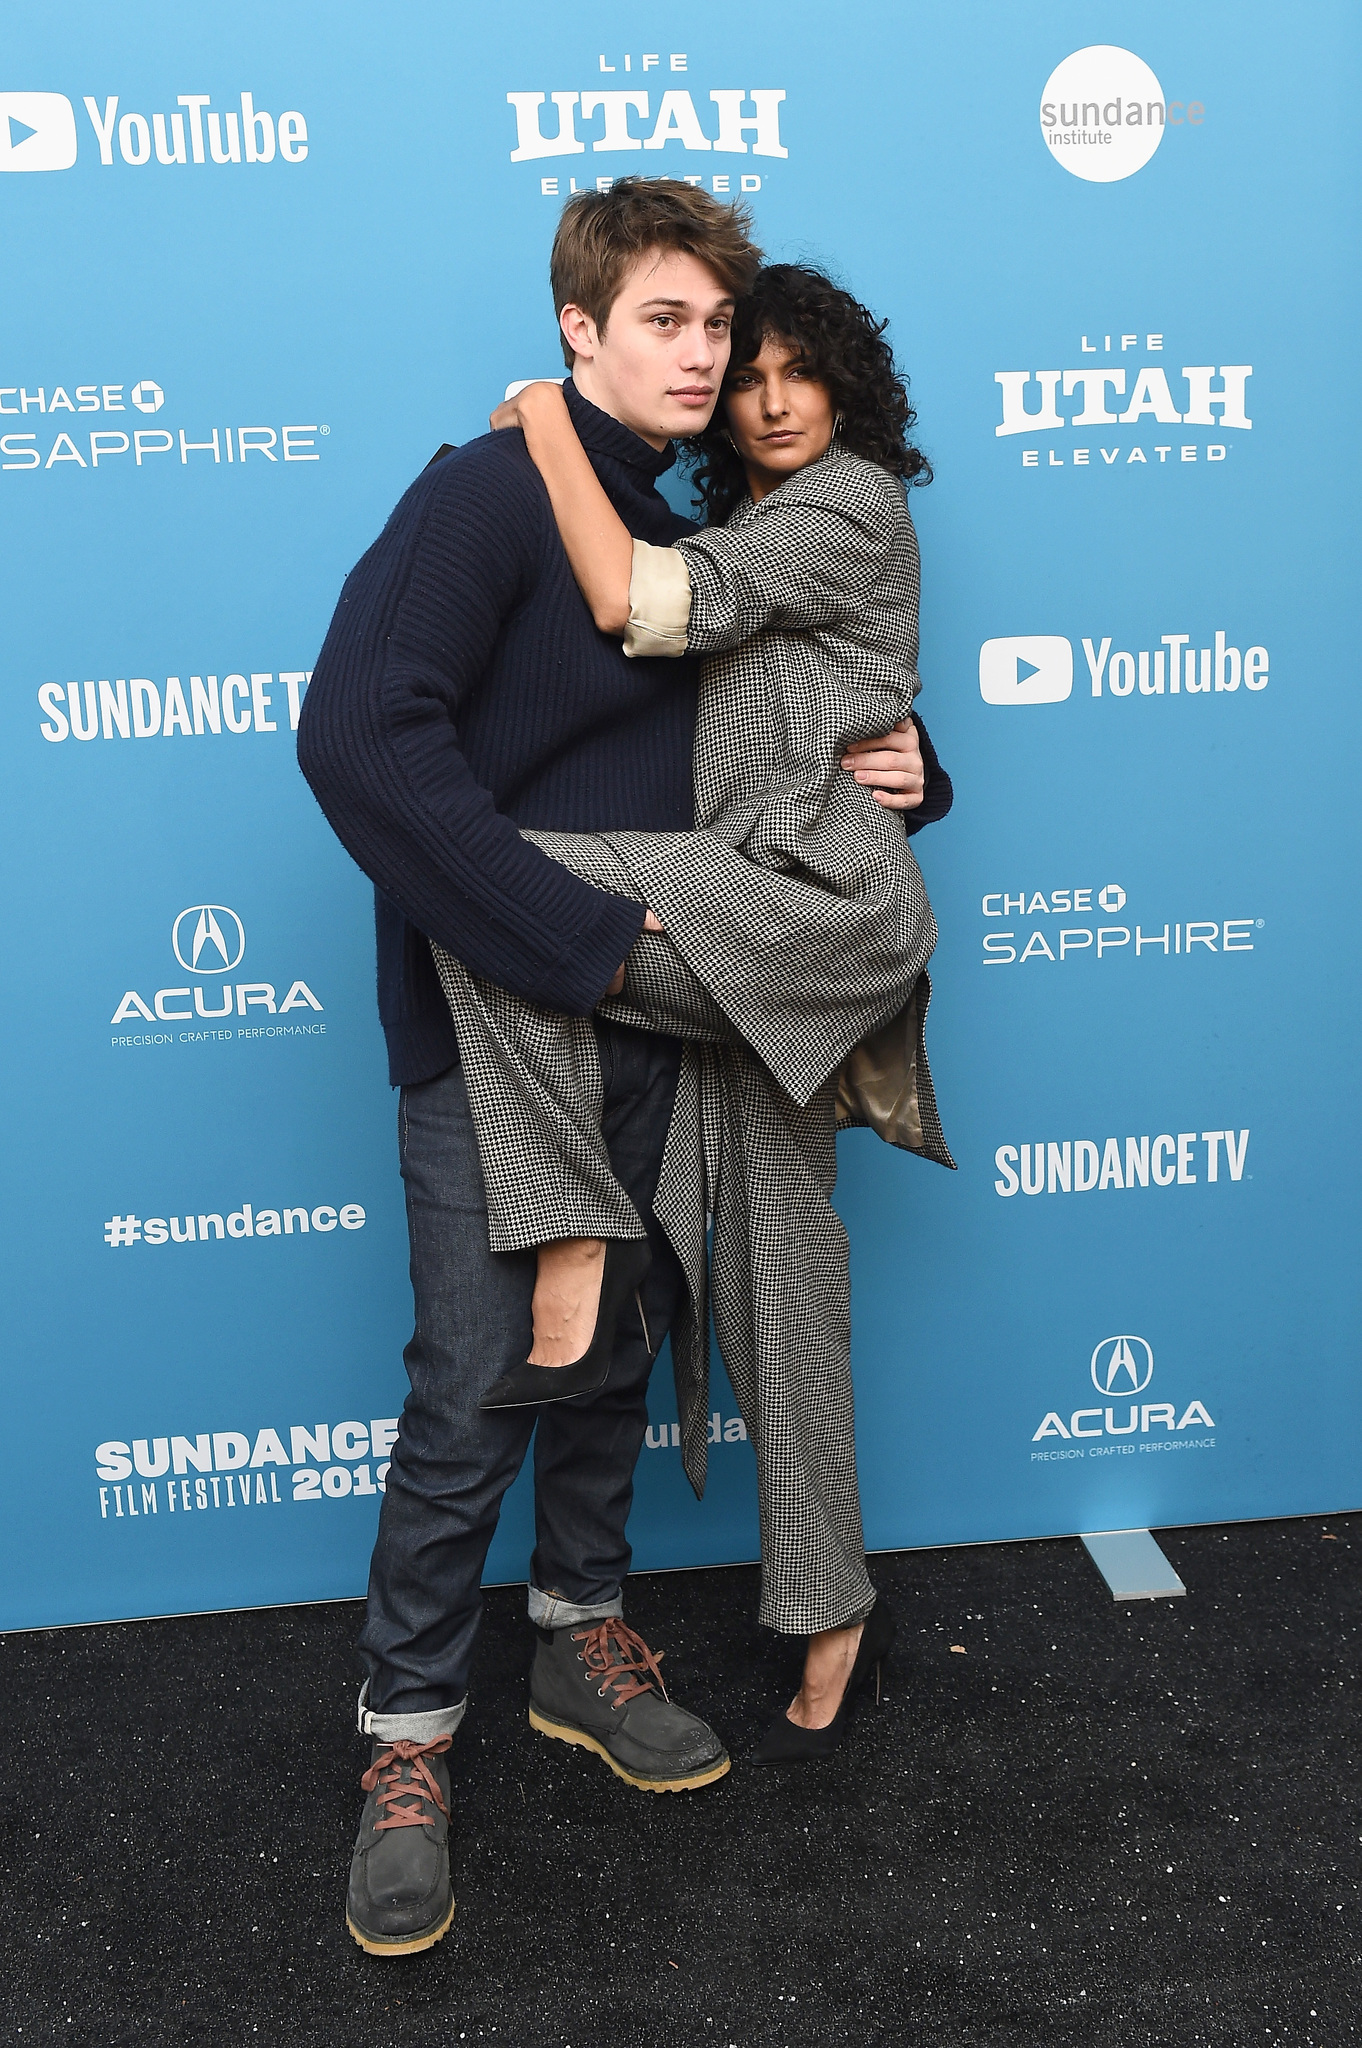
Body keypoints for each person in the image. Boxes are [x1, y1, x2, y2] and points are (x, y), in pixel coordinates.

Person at [297, 179, 951, 1958]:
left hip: (658, 1002)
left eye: (719, 327)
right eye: (665, 321)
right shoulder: (491, 490)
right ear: (577, 326)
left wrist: (907, 765)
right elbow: (359, 740)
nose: (707, 358)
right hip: (522, 992)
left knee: (612, 1364)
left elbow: (762, 698)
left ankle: (582, 1638)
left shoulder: (678, 510)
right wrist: (570, 937)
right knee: (477, 1387)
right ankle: (406, 1743)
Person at [430, 259, 952, 1772]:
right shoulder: (739, 520)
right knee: (780, 1277)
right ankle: (828, 1595)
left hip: (809, 913)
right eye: (747, 373)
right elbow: (779, 703)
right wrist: (907, 747)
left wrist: (537, 416)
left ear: (848, 387)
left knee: (488, 867)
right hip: (738, 901)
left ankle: (568, 1219)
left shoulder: (843, 504)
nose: (773, 397)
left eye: (802, 371)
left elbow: (635, 604)